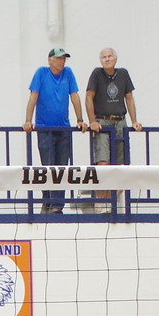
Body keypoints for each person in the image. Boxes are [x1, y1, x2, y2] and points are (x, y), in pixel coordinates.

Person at [21, 49, 82, 214]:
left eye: (64, 59)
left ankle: (57, 206)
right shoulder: (41, 73)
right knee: (47, 167)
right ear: (50, 60)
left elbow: (75, 96)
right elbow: (33, 97)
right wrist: (28, 121)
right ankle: (47, 201)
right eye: (58, 58)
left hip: (63, 128)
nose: (62, 62)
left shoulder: (68, 73)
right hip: (44, 128)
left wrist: (80, 119)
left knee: (62, 168)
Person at [85, 48, 139, 211]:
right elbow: (88, 97)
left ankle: (110, 199)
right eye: (104, 57)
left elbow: (129, 98)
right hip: (102, 121)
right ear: (100, 60)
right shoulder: (97, 74)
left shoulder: (123, 74)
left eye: (109, 56)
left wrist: (134, 121)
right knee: (103, 162)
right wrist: (92, 121)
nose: (107, 59)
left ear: (115, 59)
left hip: (120, 121)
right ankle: (101, 201)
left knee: (123, 166)